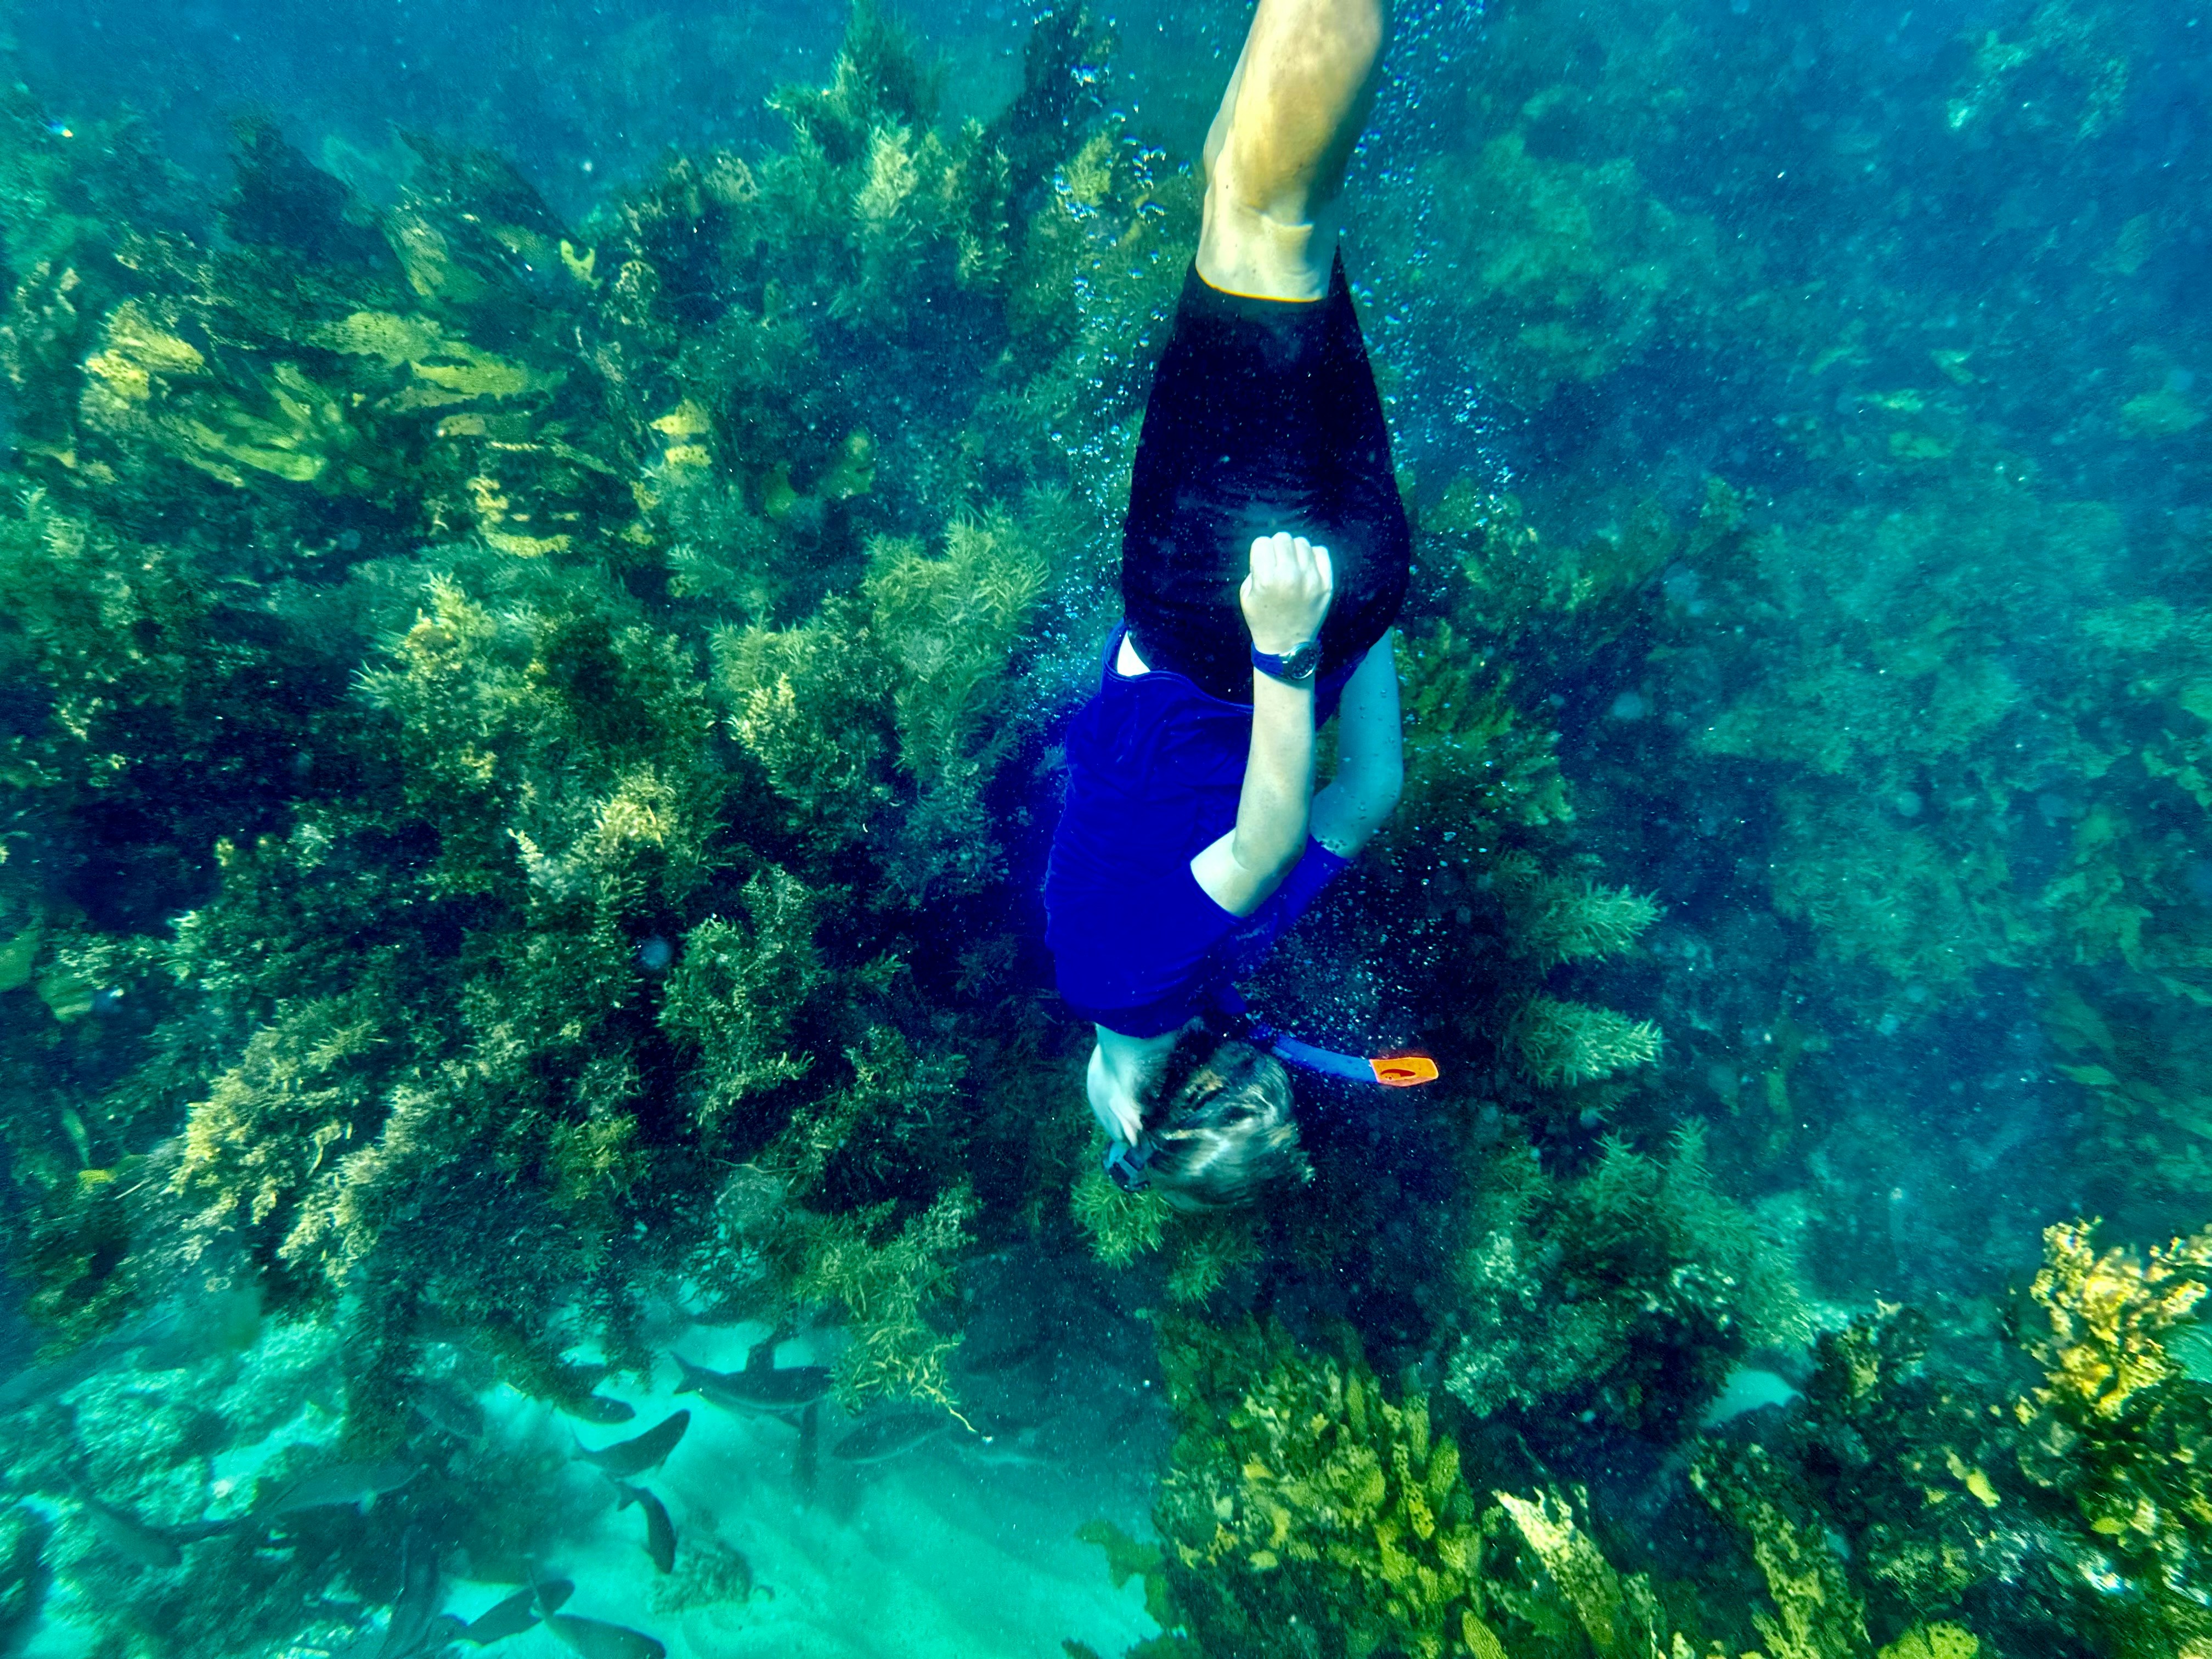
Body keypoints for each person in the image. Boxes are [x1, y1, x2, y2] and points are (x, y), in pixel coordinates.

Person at [1043, 0, 1407, 1210]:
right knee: (1265, 213)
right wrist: (1285, 653)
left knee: (1253, 196)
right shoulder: (1116, 977)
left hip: (1345, 594)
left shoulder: (1225, 977)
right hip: (1227, 609)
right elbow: (1253, 851)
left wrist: (1357, 621)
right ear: (1139, 1112)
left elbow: (1368, 796)